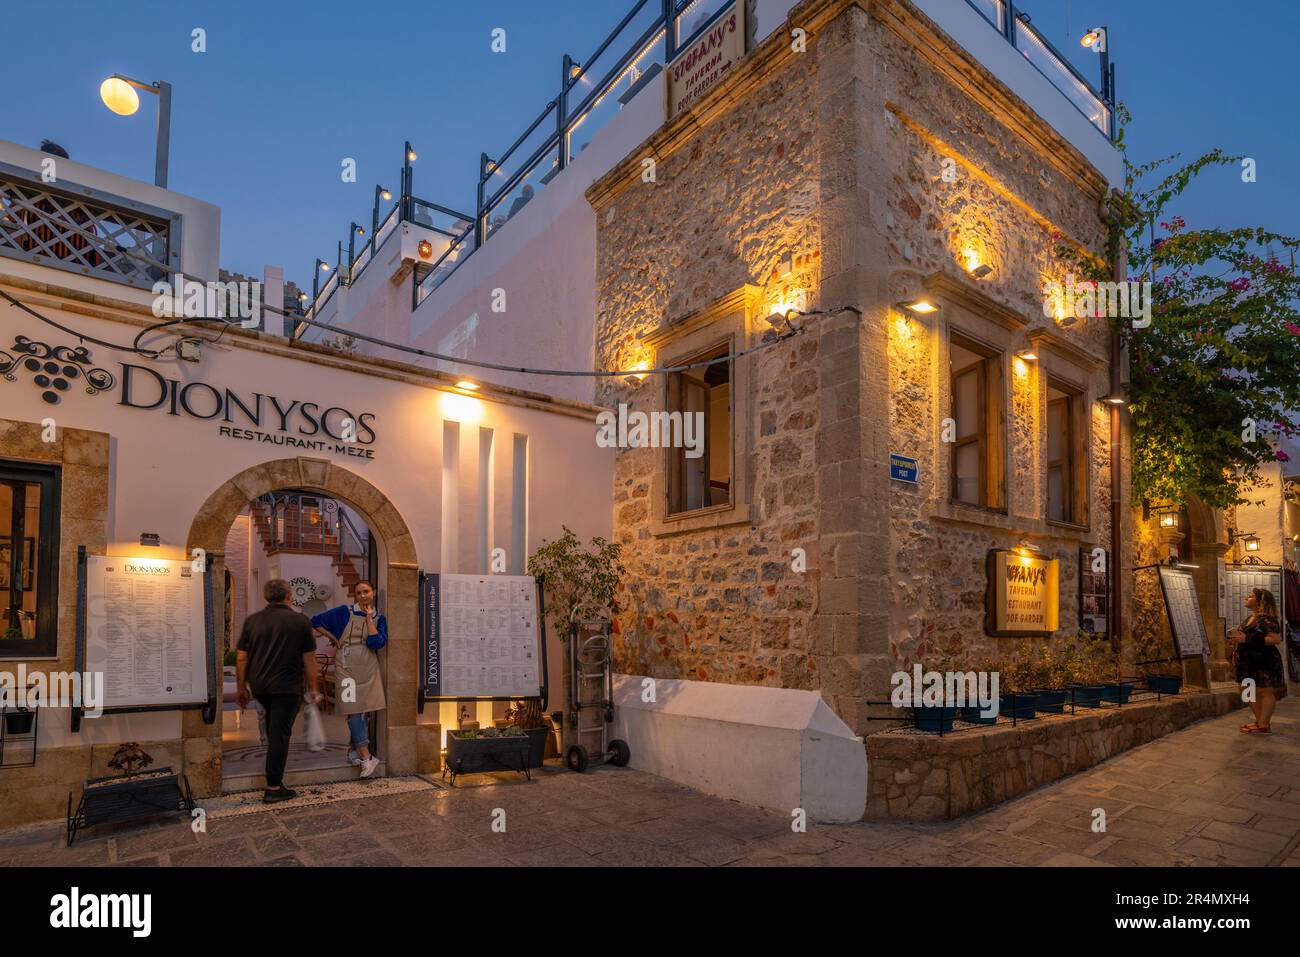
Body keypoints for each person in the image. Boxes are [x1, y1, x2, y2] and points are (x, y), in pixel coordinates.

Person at [236, 579, 322, 803]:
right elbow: (309, 658)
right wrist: (313, 687)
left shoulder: (252, 621)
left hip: (260, 686)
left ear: (266, 596)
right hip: (287, 686)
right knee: (279, 735)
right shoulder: (300, 621)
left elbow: (242, 657)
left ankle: (272, 774)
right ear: (289, 596)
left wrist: (241, 688)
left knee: (272, 728)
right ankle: (273, 787)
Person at [311, 581, 387, 778]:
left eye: (366, 591)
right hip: (346, 668)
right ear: (355, 595)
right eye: (359, 593)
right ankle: (367, 757)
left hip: (368, 668)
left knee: (364, 711)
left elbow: (376, 643)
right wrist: (333, 637)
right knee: (352, 710)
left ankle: (353, 751)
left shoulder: (380, 618)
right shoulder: (344, 612)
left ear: (373, 592)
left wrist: (370, 619)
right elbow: (315, 621)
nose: (363, 596)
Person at [1227, 587, 1287, 734]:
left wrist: (1246, 638)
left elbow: (1275, 639)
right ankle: (1261, 721)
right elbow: (1246, 638)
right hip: (1249, 662)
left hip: (1264, 661)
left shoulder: (1267, 618)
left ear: (1261, 601)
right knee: (1245, 689)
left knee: (1264, 691)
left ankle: (1263, 724)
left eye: (1251, 596)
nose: (1246, 597)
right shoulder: (1250, 618)